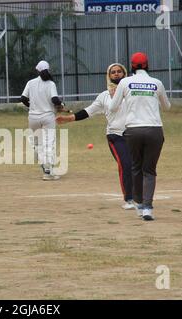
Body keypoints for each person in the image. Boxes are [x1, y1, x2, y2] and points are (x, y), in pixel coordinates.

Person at [56, 63, 135, 210]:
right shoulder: (104, 96)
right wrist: (68, 119)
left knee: (137, 166)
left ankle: (139, 195)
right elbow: (88, 112)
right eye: (113, 72)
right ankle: (129, 199)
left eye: (119, 71)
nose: (116, 74)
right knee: (125, 164)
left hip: (135, 134)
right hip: (115, 136)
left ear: (125, 74)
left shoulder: (132, 92)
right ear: (109, 76)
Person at [108, 52, 171, 221]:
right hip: (154, 130)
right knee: (149, 170)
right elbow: (167, 107)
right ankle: (148, 209)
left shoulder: (125, 82)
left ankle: (138, 203)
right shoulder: (156, 83)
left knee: (136, 167)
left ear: (132, 66)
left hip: (133, 131)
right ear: (147, 65)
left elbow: (113, 107)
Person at [20, 60, 65, 181]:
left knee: (38, 143)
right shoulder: (50, 84)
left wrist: (32, 106)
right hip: (47, 117)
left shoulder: (30, 82)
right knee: (49, 143)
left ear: (37, 70)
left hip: (33, 117)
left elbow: (23, 98)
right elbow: (55, 100)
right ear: (48, 70)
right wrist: (61, 104)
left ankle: (43, 163)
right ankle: (48, 171)